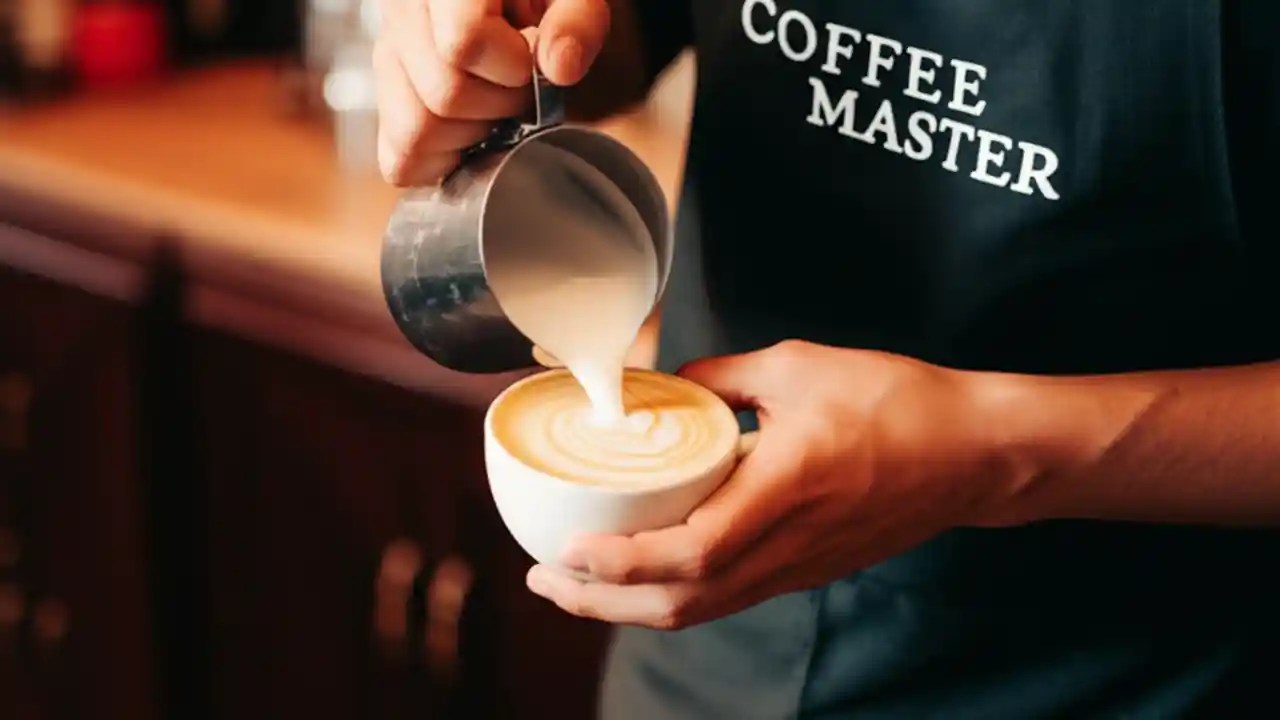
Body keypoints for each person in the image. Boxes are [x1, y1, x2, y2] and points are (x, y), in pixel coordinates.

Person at [372, 1, 1280, 716]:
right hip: (706, 654)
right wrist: (503, 49)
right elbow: (621, 33)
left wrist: (1002, 451)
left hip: (1130, 670)